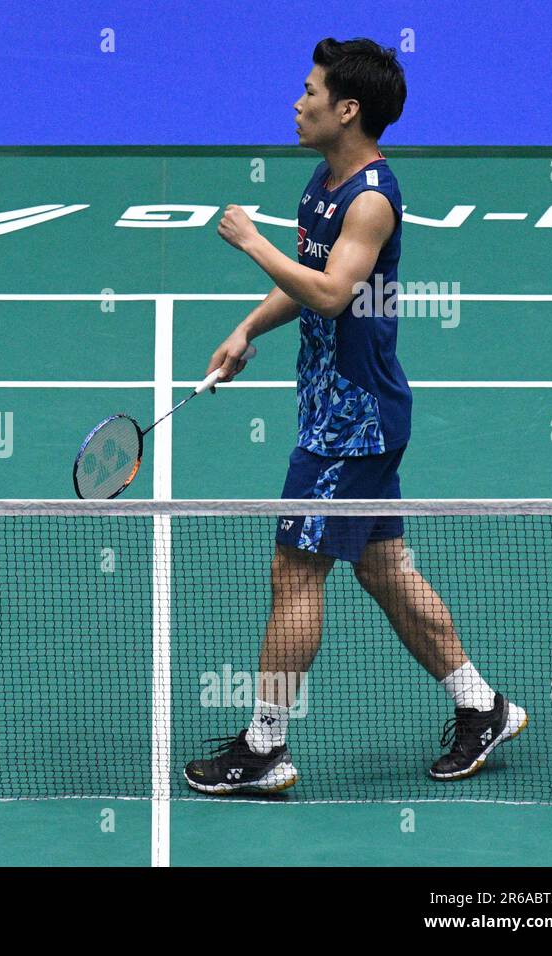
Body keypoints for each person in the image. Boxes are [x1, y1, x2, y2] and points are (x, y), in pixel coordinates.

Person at [184, 38, 526, 794]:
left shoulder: (370, 197)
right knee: (382, 568)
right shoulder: (322, 182)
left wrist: (251, 243)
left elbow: (335, 291)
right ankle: (482, 706)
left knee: (294, 571)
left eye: (309, 91)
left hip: (353, 426)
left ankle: (264, 747)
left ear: (348, 109)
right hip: (335, 412)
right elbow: (310, 281)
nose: (296, 102)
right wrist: (248, 329)